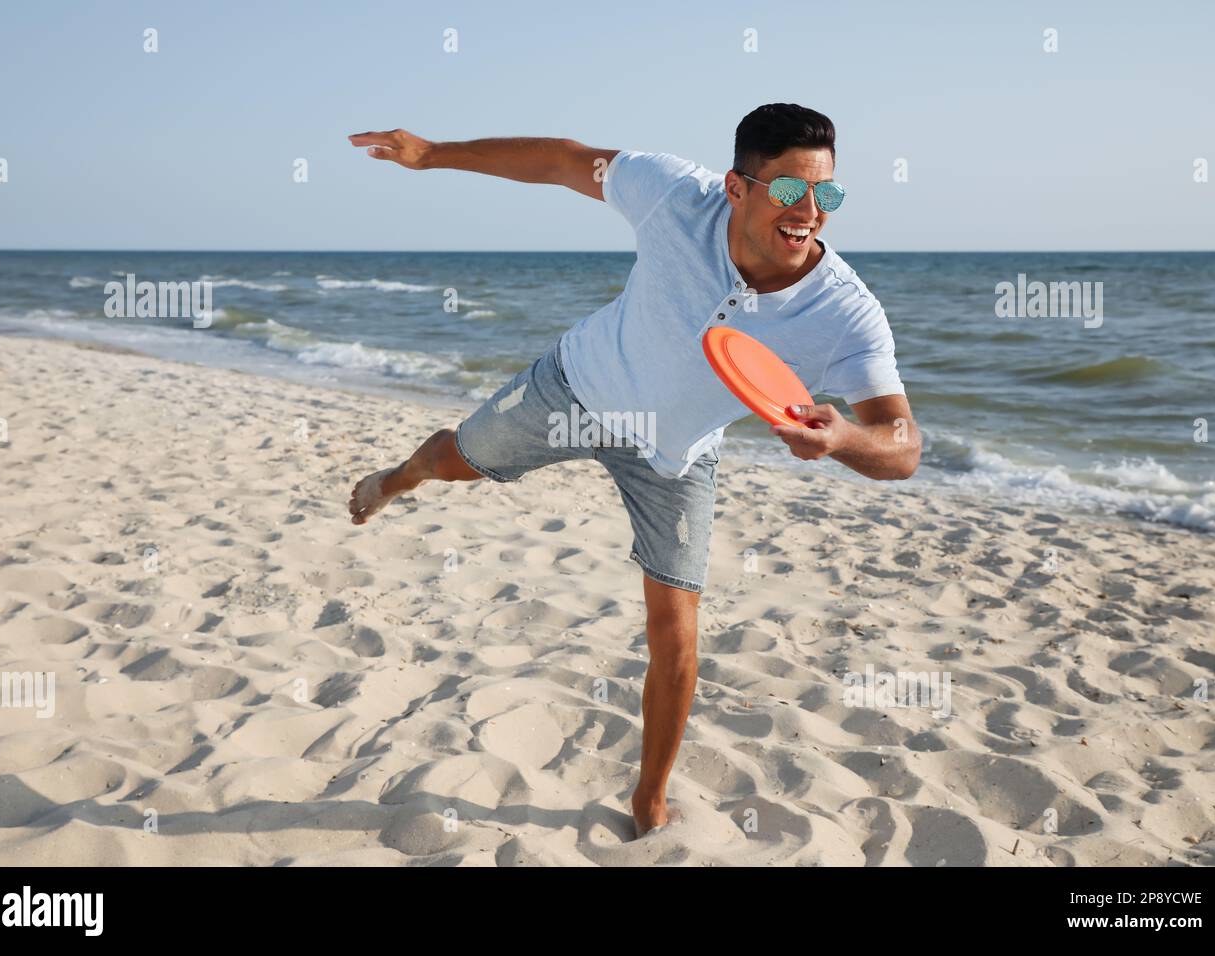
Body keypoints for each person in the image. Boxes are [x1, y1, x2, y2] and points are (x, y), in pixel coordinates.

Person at [345, 103, 921, 837]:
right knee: (453, 459)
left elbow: (903, 443)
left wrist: (842, 439)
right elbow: (559, 157)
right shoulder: (675, 195)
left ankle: (649, 798)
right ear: (737, 188)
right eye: (787, 191)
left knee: (675, 627)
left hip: (674, 455)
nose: (809, 212)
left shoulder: (843, 311)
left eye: (826, 194)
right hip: (576, 387)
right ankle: (402, 476)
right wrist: (430, 154)